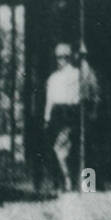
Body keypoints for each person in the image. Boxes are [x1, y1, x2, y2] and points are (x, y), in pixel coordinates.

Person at [44, 43, 83, 192]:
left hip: (74, 112)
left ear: (70, 57)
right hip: (59, 113)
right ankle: (66, 182)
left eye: (64, 57)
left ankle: (85, 185)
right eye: (58, 57)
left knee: (78, 150)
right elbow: (50, 99)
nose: (61, 61)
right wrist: (47, 117)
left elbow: (87, 94)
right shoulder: (53, 78)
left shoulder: (78, 74)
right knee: (60, 149)